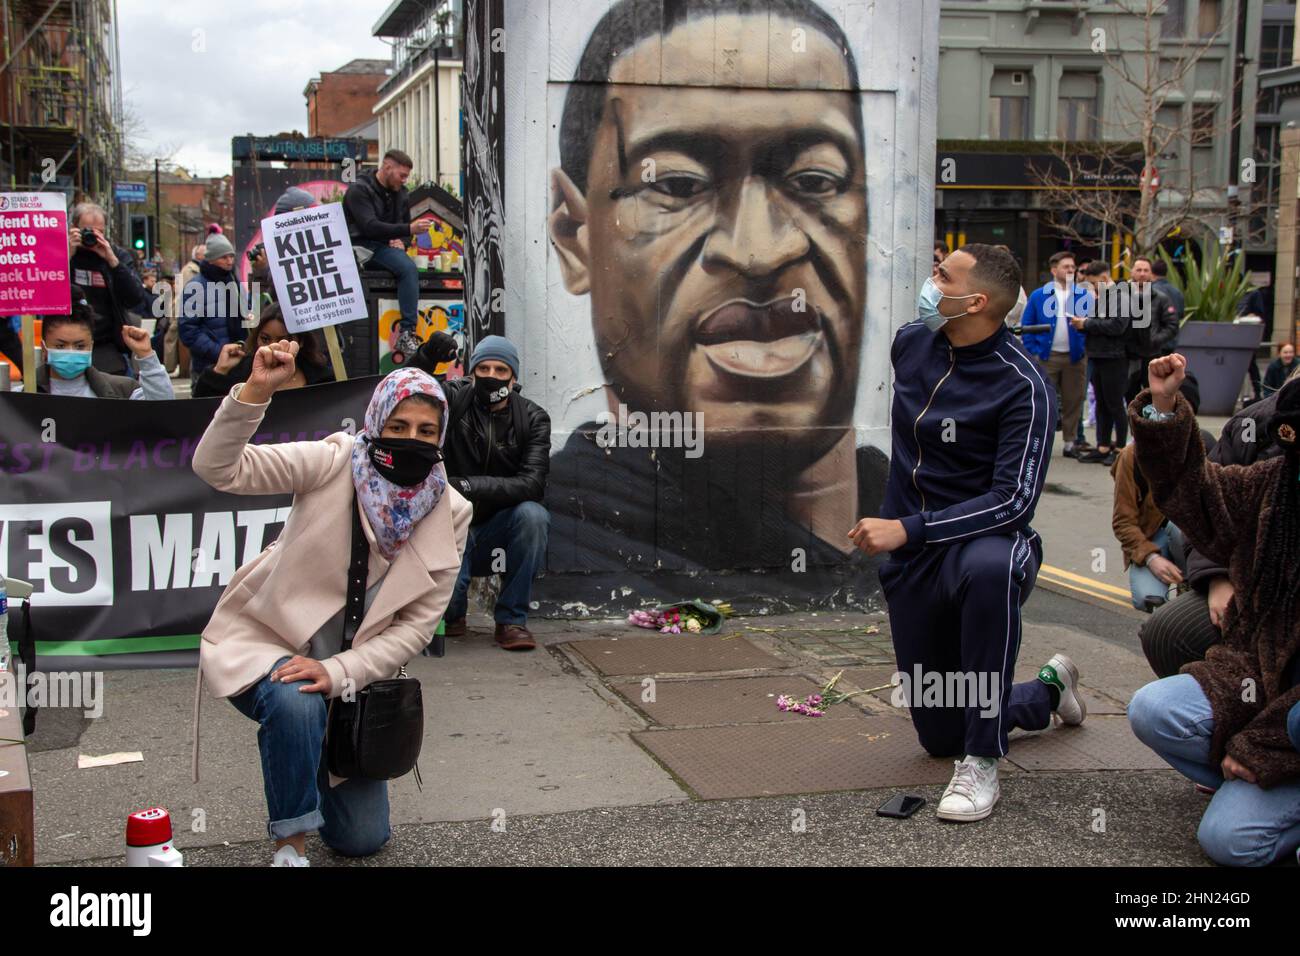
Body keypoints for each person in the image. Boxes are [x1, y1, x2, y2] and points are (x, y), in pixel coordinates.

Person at [541, 0, 891, 609]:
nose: (759, 251)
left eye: (814, 180)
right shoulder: (567, 546)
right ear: (577, 241)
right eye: (676, 185)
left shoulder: (912, 513)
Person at [190, 352, 471, 866]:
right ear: (375, 421)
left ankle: (307, 751)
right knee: (295, 700)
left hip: (351, 682)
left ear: (440, 436)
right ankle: (290, 847)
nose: (412, 438)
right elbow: (218, 468)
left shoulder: (451, 511)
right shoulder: (335, 458)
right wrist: (254, 392)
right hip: (268, 644)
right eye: (398, 424)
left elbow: (415, 629)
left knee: (361, 839)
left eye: (426, 430)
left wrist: (337, 671)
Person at [858, 243, 1086, 823]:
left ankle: (983, 760)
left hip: (979, 546)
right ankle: (1050, 689)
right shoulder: (913, 342)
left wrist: (907, 529)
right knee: (939, 731)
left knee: (992, 570)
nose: (931, 280)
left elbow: (1012, 502)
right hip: (912, 559)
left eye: (943, 275)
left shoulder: (1025, 387)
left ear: (976, 301)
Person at [1127, 355, 1300, 866]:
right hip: (1265, 676)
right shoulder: (1276, 481)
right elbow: (1197, 492)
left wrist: (1256, 750)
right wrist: (1163, 409)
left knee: (1231, 842)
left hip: (1290, 718)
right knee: (1153, 708)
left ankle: (1260, 778)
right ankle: (1261, 785)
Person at [1138, 370, 1292, 677]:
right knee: (1165, 637)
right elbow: (1201, 501)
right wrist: (1216, 577)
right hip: (1249, 589)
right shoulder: (1254, 427)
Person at [413, 333, 552, 650]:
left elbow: (532, 484)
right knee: (447, 615)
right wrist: (426, 356)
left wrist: (465, 484)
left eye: (500, 371)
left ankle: (512, 621)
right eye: (483, 369)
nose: (491, 377)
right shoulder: (452, 400)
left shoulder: (532, 418)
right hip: (450, 525)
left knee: (534, 516)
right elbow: (407, 393)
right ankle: (455, 614)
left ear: (513, 377)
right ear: (471, 372)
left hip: (497, 528)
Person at [1111, 376, 1202, 612]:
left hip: (1192, 538)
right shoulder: (1130, 456)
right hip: (1151, 539)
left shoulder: (1205, 449)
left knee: (1178, 527)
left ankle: (1194, 582)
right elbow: (1123, 522)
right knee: (1148, 599)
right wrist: (1151, 558)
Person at [342, 149, 436, 334]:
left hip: (383, 247)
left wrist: (403, 242)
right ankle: (408, 330)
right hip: (360, 246)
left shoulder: (401, 193)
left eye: (406, 177)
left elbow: (403, 227)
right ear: (387, 167)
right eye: (402, 175)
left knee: (407, 267)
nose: (404, 180)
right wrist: (408, 230)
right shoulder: (359, 190)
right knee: (407, 268)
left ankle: (407, 331)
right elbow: (370, 226)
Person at [35, 287, 173, 400]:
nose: (71, 351)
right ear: (44, 348)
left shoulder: (122, 390)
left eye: (80, 346)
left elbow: (162, 407)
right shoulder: (22, 396)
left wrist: (146, 356)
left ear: (91, 346)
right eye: (60, 346)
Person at [1021, 251, 1092, 459]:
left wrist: (1083, 348)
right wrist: (1033, 351)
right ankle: (1041, 440)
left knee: (1074, 400)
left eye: (1073, 267)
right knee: (1043, 400)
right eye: (1066, 267)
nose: (1071, 270)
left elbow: (1093, 324)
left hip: (1075, 357)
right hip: (1047, 356)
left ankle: (1070, 442)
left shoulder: (1083, 295)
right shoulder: (1039, 295)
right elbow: (1028, 324)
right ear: (1054, 270)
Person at [67, 201, 146, 376]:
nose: (93, 237)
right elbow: (48, 294)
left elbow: (135, 298)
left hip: (107, 343)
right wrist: (66, 257)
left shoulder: (116, 255)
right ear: (74, 228)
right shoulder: (62, 253)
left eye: (99, 232)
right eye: (87, 230)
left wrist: (113, 262)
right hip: (68, 342)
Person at [192, 302, 334, 399]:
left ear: (300, 342)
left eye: (282, 340)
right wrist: (220, 370)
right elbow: (202, 410)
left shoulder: (322, 378)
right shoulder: (240, 372)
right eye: (265, 339)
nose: (273, 347)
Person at [1072, 261, 1130, 465]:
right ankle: (1103, 446)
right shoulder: (1104, 298)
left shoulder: (1121, 297)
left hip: (1115, 358)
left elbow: (1117, 326)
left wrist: (1086, 323)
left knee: (1115, 404)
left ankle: (1121, 448)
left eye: (1094, 284)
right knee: (1101, 404)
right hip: (1099, 355)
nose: (1092, 288)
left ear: (1105, 279)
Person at [180, 233, 251, 379]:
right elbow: (188, 332)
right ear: (211, 260)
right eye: (224, 257)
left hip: (239, 362)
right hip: (208, 366)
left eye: (231, 256)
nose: (229, 261)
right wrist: (219, 352)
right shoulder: (195, 287)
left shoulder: (235, 282)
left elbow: (248, 309)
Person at [1123, 255, 1180, 405]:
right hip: (1127, 356)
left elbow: (1172, 325)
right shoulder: (1121, 296)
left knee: (1153, 397)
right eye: (1139, 270)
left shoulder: (1162, 298)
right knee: (1130, 397)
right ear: (1132, 272)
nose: (1142, 273)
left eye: (1146, 270)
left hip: (1152, 356)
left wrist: (1155, 340)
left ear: (1151, 274)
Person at [1150, 257, 1185, 322]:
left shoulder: (1150, 291)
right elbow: (1181, 315)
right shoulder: (1178, 292)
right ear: (1166, 273)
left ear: (1152, 274)